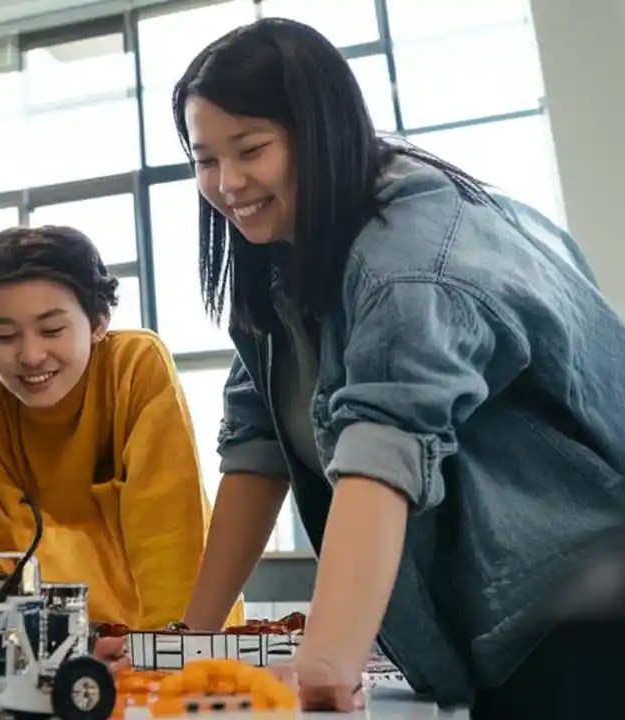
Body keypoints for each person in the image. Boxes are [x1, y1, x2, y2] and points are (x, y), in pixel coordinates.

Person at [172, 18, 625, 718]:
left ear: (318, 132)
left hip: (587, 611)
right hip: (495, 624)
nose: (227, 183)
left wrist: (326, 657)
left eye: (250, 149)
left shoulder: (408, 262)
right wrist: (190, 641)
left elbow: (384, 448)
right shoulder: (279, 258)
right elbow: (256, 450)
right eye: (204, 159)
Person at [0, 225, 244, 635]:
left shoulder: (134, 369)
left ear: (99, 322)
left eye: (51, 330)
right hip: (49, 646)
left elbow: (170, 538)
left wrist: (172, 654)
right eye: (5, 335)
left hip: (172, 633)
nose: (30, 355)